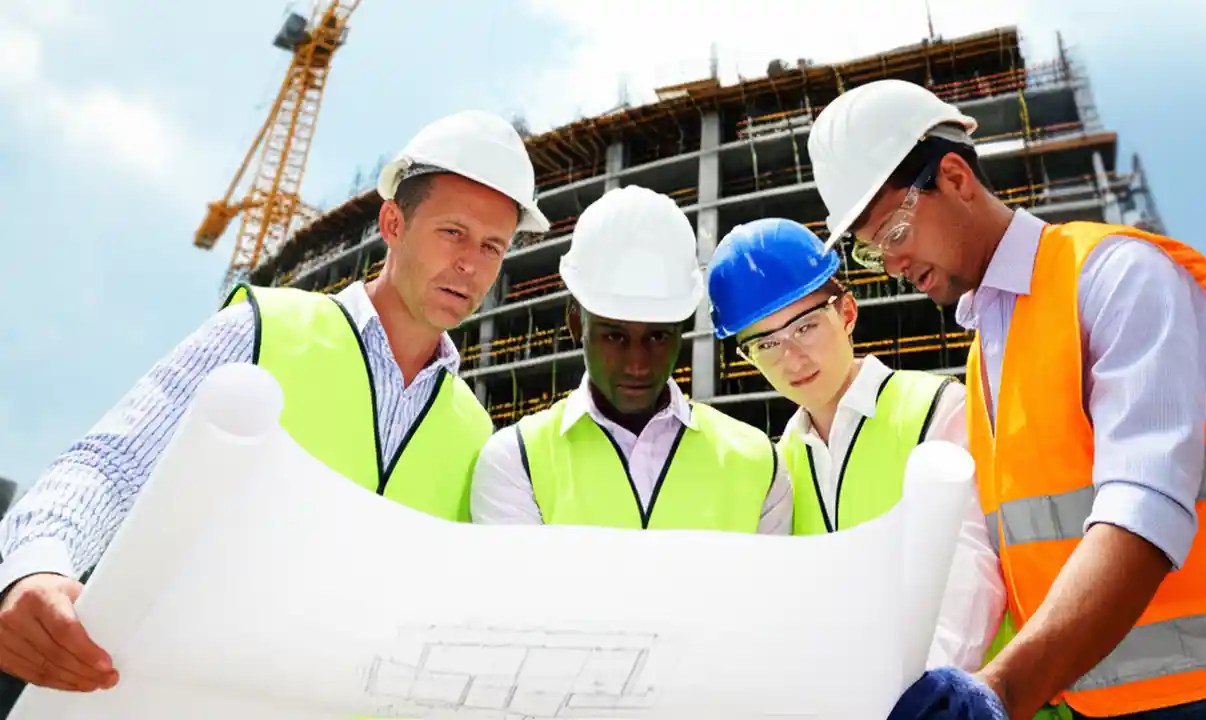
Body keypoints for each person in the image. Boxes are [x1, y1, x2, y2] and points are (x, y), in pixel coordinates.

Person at [0, 110, 548, 694]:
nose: (470, 263)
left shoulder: (473, 429)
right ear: (392, 222)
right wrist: (34, 565)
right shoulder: (264, 329)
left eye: (493, 246)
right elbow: (111, 465)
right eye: (453, 232)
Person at [806, 78, 1206, 719]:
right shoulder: (987, 359)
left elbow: (1144, 511)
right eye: (870, 250)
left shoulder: (1115, 279)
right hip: (1098, 704)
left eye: (892, 231)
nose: (890, 262)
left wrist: (1003, 689)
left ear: (954, 177)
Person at [705, 216, 1004, 671]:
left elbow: (970, 574)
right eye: (765, 344)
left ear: (846, 313)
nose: (792, 357)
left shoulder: (937, 410)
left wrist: (912, 694)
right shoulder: (777, 470)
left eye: (805, 327)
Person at [471, 185, 791, 533]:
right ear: (576, 322)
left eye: (658, 336)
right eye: (614, 336)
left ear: (681, 328)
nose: (638, 365)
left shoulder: (761, 465)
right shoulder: (516, 462)